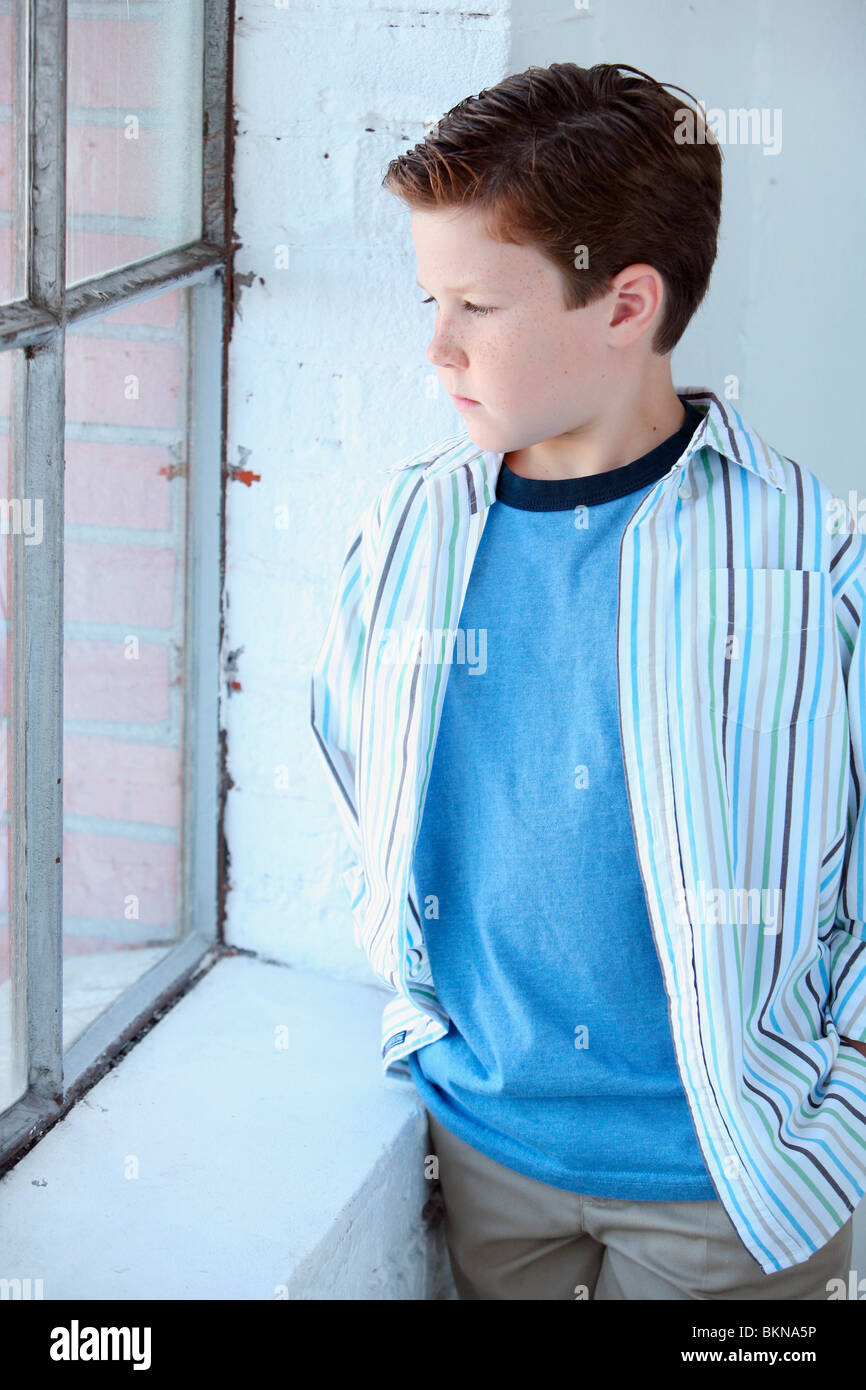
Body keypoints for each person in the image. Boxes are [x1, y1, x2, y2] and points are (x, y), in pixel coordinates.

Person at [310, 61, 866, 1300]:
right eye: (427, 298)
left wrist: (847, 1090)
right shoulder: (405, 532)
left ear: (624, 305)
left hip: (738, 1184)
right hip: (483, 1153)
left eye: (474, 305)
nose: (434, 345)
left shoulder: (816, 555)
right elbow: (356, 776)